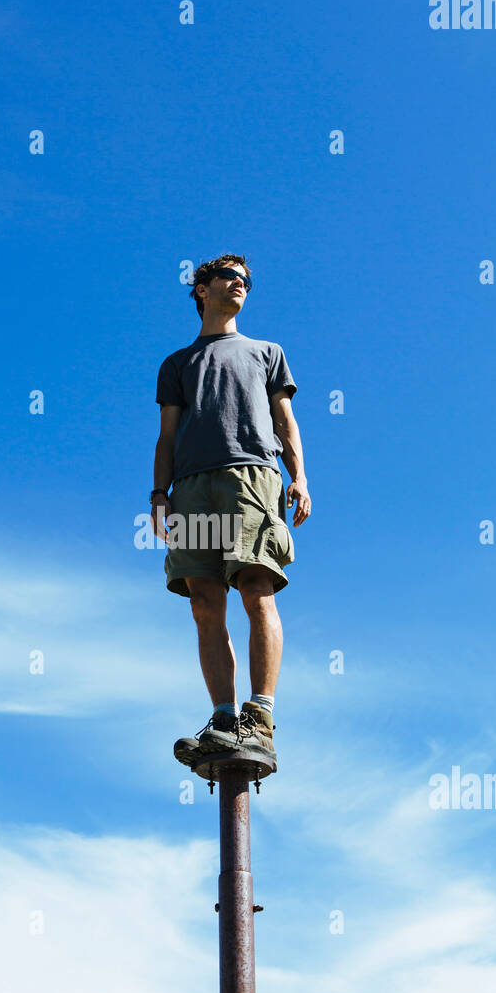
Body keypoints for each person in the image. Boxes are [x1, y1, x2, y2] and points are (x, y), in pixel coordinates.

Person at [151, 253, 311, 769]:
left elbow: (286, 421)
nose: (239, 285)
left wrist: (300, 477)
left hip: (252, 477)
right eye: (229, 277)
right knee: (203, 601)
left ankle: (259, 719)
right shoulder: (177, 364)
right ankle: (223, 720)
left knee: (255, 586)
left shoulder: (267, 352)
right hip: (192, 484)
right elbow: (167, 436)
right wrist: (159, 495)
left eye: (246, 280)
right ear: (202, 289)